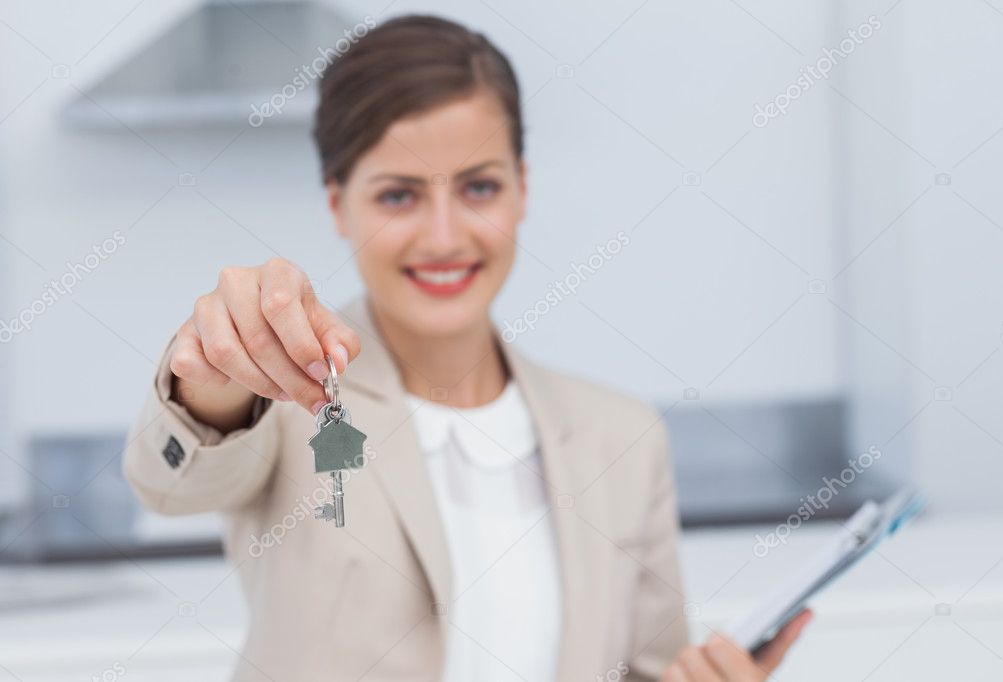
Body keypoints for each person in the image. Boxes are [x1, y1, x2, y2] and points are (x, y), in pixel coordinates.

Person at [123, 14, 810, 682]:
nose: (445, 236)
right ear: (338, 205)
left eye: (479, 187)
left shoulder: (622, 438)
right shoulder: (286, 394)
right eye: (399, 196)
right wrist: (214, 368)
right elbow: (171, 485)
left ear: (521, 189)